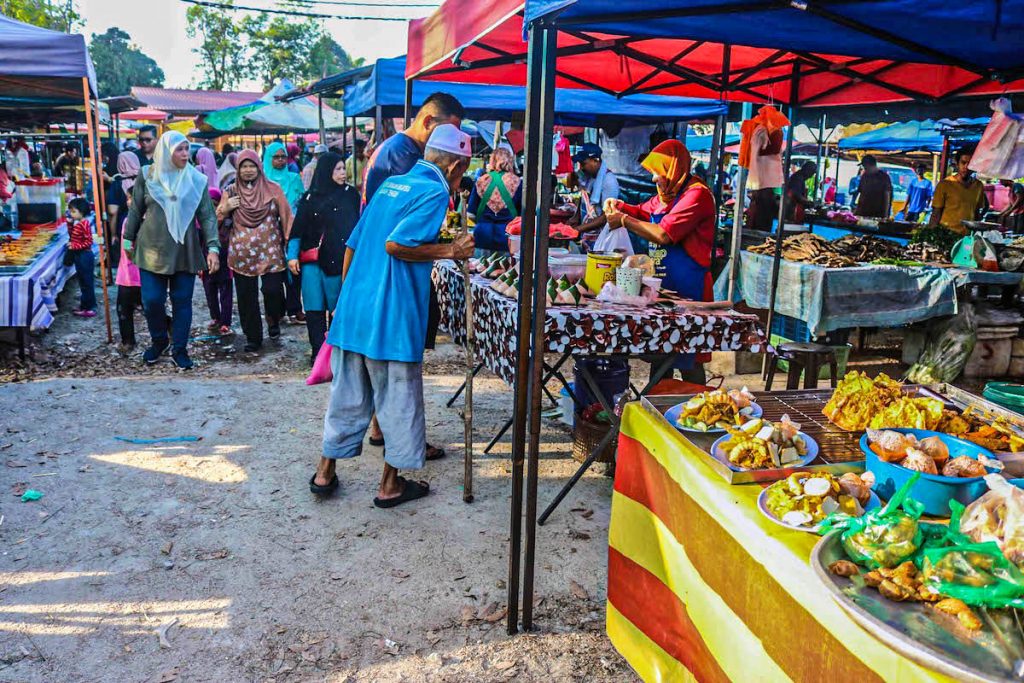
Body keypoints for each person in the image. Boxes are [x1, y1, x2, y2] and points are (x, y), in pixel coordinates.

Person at [310, 124, 475, 504]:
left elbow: (354, 242)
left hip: (355, 307)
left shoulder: (391, 184)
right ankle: (389, 484)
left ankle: (324, 473)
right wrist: (451, 251)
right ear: (456, 166)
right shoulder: (435, 191)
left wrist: (345, 301)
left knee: (346, 395)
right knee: (397, 398)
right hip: (392, 311)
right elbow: (396, 244)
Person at [356, 91, 464, 457]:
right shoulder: (407, 159)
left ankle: (381, 433)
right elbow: (399, 238)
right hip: (390, 278)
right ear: (429, 123)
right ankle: (397, 450)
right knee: (398, 369)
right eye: (448, 135)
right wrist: (449, 248)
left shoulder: (398, 151)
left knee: (379, 365)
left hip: (373, 274)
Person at [605, 139, 715, 383]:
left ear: (674, 169)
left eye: (658, 173)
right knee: (663, 351)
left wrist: (624, 220)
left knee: (688, 355)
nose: (654, 179)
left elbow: (665, 234)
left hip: (691, 287)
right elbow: (645, 211)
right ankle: (656, 412)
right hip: (666, 286)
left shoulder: (697, 195)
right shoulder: (669, 194)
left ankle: (695, 408)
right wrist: (619, 206)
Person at [122, 131, 220, 370]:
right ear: (166, 151)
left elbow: (207, 216)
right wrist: (127, 239)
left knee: (181, 300)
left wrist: (213, 247)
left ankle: (180, 348)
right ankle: (159, 340)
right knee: (152, 300)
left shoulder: (196, 179)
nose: (186, 154)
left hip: (184, 250)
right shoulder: (147, 175)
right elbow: (135, 210)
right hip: (151, 248)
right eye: (180, 149)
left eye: (187, 149)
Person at [286, 152, 360, 362]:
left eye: (343, 168)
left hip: (338, 260)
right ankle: (318, 353)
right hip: (313, 263)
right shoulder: (310, 197)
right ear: (326, 171)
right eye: (337, 169)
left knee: (337, 308)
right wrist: (292, 256)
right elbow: (297, 230)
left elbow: (357, 227)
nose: (342, 173)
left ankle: (338, 353)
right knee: (313, 308)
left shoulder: (350, 195)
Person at [217, 149, 292, 352]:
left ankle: (273, 318)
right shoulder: (231, 191)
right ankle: (253, 337)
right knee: (246, 297)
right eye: (244, 167)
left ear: (259, 167)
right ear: (238, 169)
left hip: (271, 252)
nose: (248, 171)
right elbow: (216, 220)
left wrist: (290, 244)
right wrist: (225, 208)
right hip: (241, 254)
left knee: (273, 291)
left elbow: (286, 216)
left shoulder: (273, 189)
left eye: (252, 166)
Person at [362, 92, 465, 206]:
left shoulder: (397, 145)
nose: (449, 139)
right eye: (447, 132)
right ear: (428, 122)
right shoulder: (404, 155)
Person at [263, 142, 306, 324]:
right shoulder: (263, 180)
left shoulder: (294, 178)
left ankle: (295, 308)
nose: (281, 160)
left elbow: (301, 200)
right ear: (268, 159)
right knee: (273, 270)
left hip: (293, 226)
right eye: (276, 157)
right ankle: (276, 310)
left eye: (283, 157)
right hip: (270, 229)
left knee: (294, 267)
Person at [467, 146, 522, 252]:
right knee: (504, 268)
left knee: (480, 267)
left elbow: (471, 214)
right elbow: (521, 215)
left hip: (482, 234)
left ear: (492, 160)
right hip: (507, 236)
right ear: (510, 161)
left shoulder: (481, 181)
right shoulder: (518, 182)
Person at [114, 152, 142, 349]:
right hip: (134, 272)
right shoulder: (142, 219)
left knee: (125, 309)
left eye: (132, 199)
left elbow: (127, 243)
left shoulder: (130, 221)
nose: (129, 202)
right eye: (128, 199)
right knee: (146, 307)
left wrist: (128, 251)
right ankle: (128, 340)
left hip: (130, 274)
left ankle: (128, 341)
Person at [929, 151, 987, 235]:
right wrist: (931, 234)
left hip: (967, 237)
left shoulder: (978, 186)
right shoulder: (945, 184)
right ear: (957, 164)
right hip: (946, 235)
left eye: (969, 164)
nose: (966, 167)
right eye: (963, 163)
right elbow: (936, 214)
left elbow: (977, 212)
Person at [571, 142, 620, 236]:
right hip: (587, 233)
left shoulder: (609, 182)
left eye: (583, 164)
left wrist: (578, 229)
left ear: (595, 160)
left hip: (601, 236)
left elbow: (606, 217)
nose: (581, 168)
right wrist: (575, 218)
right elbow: (584, 201)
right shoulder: (589, 177)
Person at [66, 197, 97, 318]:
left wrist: (75, 246)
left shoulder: (84, 224)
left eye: (73, 211)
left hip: (84, 255)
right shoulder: (78, 223)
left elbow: (88, 242)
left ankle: (90, 307)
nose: (71, 214)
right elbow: (73, 235)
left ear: (82, 211)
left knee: (87, 282)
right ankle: (85, 305)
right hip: (79, 255)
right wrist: (69, 224)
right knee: (83, 282)